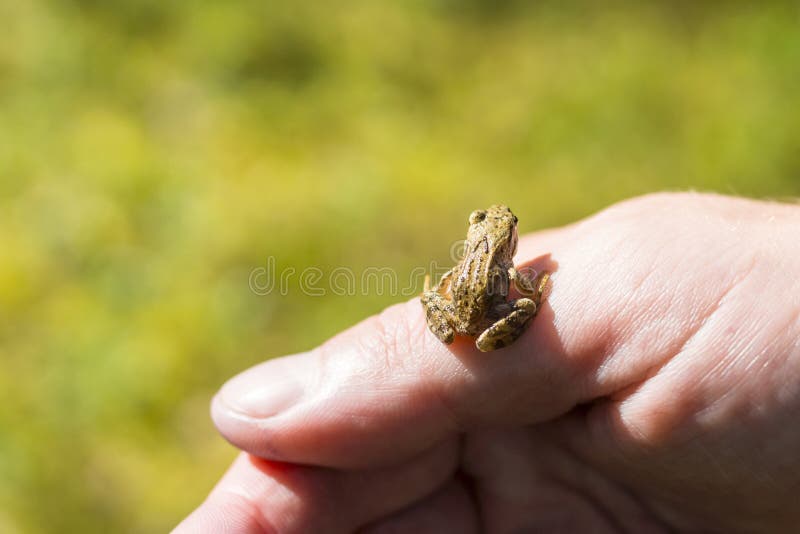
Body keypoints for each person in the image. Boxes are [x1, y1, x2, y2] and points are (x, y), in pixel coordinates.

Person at [174, 193, 800, 533]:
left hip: (459, 314)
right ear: (502, 243)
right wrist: (529, 299)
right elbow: (510, 293)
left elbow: (455, 286)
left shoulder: (478, 255)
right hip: (490, 310)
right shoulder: (505, 265)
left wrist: (438, 301)